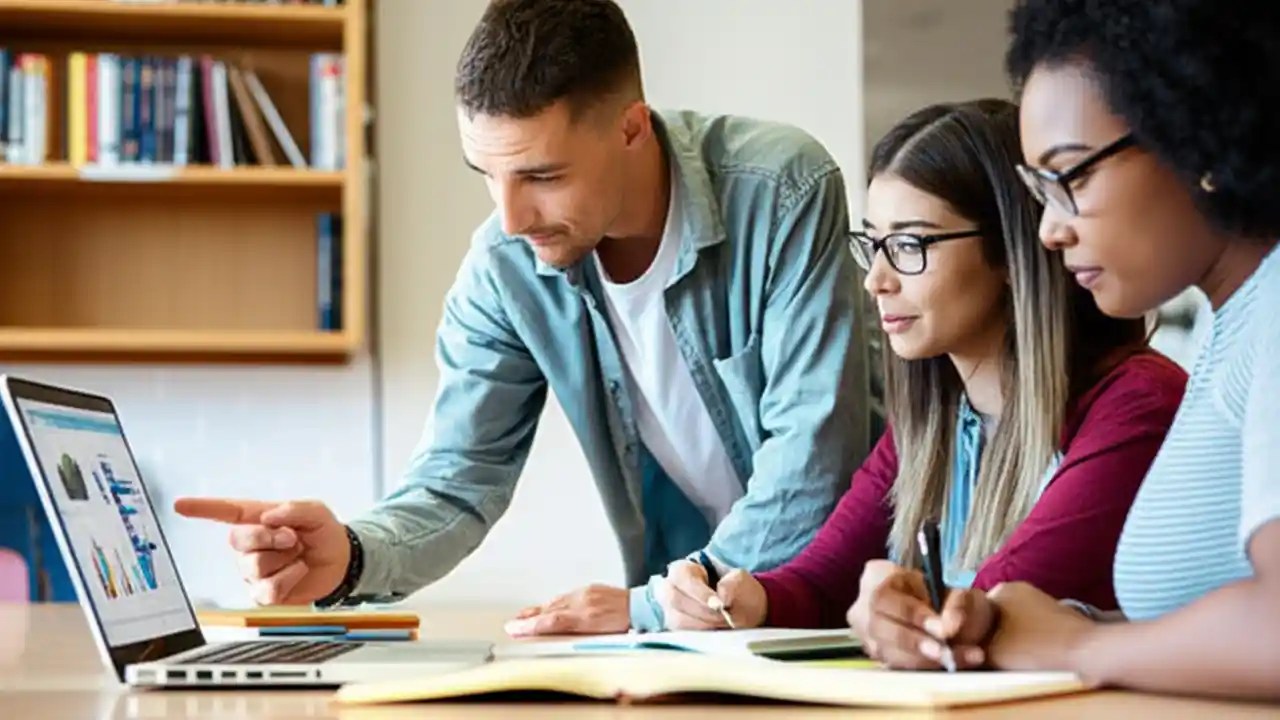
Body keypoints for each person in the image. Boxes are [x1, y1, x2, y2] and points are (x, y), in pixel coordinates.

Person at [172, 0, 873, 635]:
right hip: (699, 628)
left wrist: (646, 606)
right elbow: (458, 478)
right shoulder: (504, 265)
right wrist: (352, 557)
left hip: (855, 602)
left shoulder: (780, 189)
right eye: (486, 175)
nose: (509, 219)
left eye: (541, 177)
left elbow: (812, 470)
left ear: (631, 128)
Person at [656, 99, 1187, 671]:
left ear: (1012, 250)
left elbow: (978, 612)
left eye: (910, 245)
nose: (876, 281)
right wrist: (740, 598)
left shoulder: (1136, 404)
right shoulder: (930, 423)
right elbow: (818, 584)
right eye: (873, 245)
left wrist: (891, 615)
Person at [975, 0, 1280, 701]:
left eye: (1072, 178)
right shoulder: (1228, 326)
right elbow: (1205, 613)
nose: (1051, 230)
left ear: (1195, 137)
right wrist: (1033, 628)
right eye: (1039, 189)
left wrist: (1078, 645)